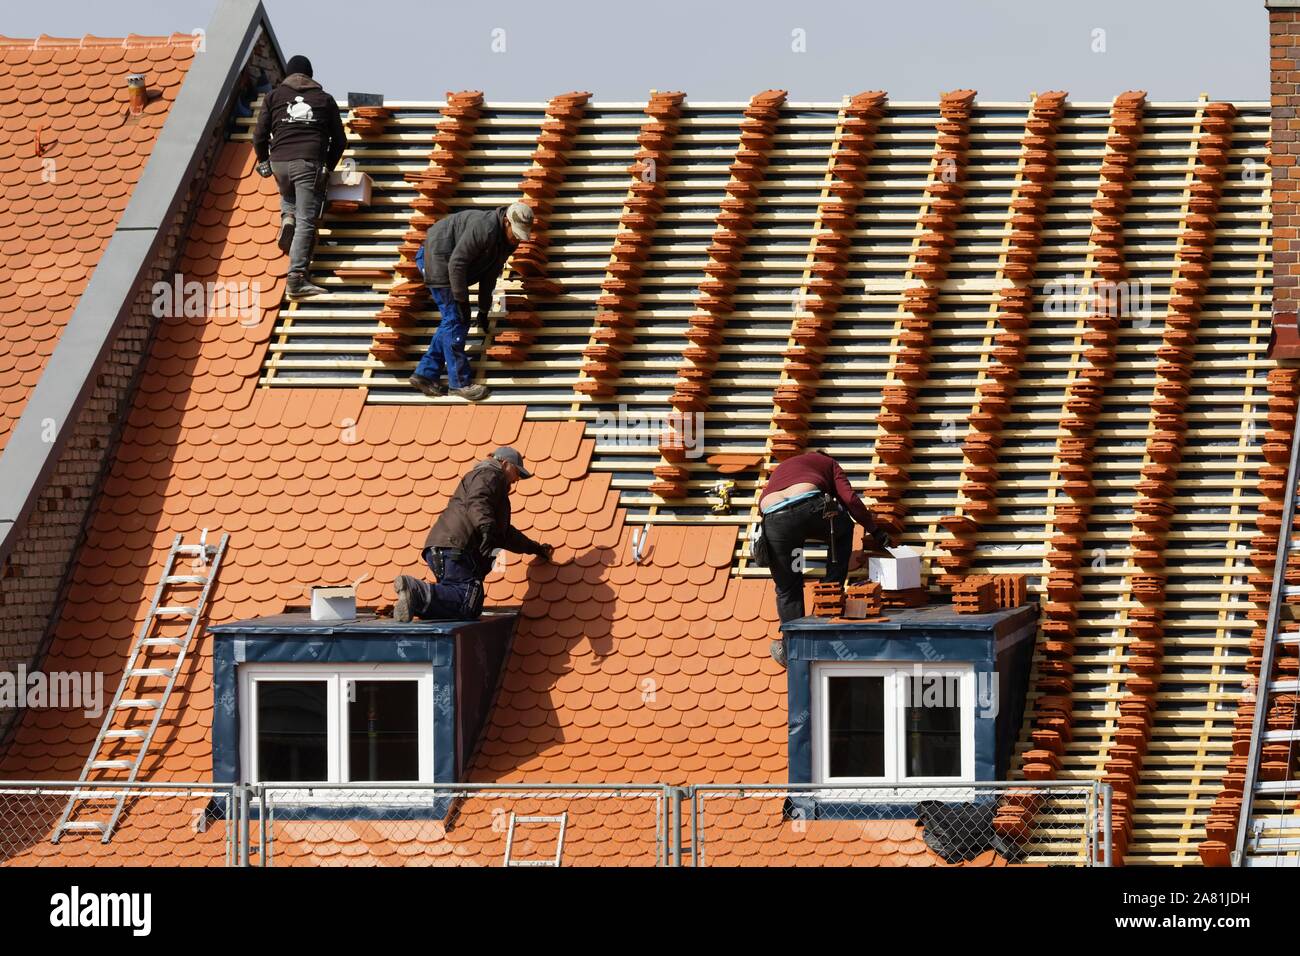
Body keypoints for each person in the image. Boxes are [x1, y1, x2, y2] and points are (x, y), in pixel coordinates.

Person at [759, 450, 892, 665]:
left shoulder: (785, 466)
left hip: (774, 517)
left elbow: (770, 507)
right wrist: (874, 530)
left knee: (787, 587)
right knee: (843, 528)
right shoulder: (829, 463)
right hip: (810, 507)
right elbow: (849, 499)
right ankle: (829, 596)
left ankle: (792, 648)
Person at [393, 447, 553, 621]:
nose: (517, 479)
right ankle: (415, 591)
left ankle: (413, 602)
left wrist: (535, 548)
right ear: (505, 464)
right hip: (456, 546)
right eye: (516, 472)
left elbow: (505, 534)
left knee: (466, 606)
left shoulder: (490, 484)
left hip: (445, 546)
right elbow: (478, 499)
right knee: (468, 599)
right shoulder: (491, 474)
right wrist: (486, 528)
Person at [408, 202, 535, 402]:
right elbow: (457, 263)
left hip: (453, 264)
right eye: (515, 233)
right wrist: (461, 299)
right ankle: (459, 383)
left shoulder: (508, 241)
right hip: (437, 259)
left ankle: (424, 374)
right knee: (456, 319)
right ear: (506, 222)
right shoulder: (484, 228)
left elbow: (490, 274)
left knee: (453, 319)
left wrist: (483, 309)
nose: (517, 238)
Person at [252, 55, 348, 301]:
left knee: (289, 193)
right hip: (308, 162)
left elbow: (259, 135)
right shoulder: (323, 99)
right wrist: (326, 166)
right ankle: (296, 279)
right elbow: (340, 140)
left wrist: (263, 160)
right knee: (308, 220)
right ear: (310, 76)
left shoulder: (274, 97)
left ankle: (287, 217)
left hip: (279, 162)